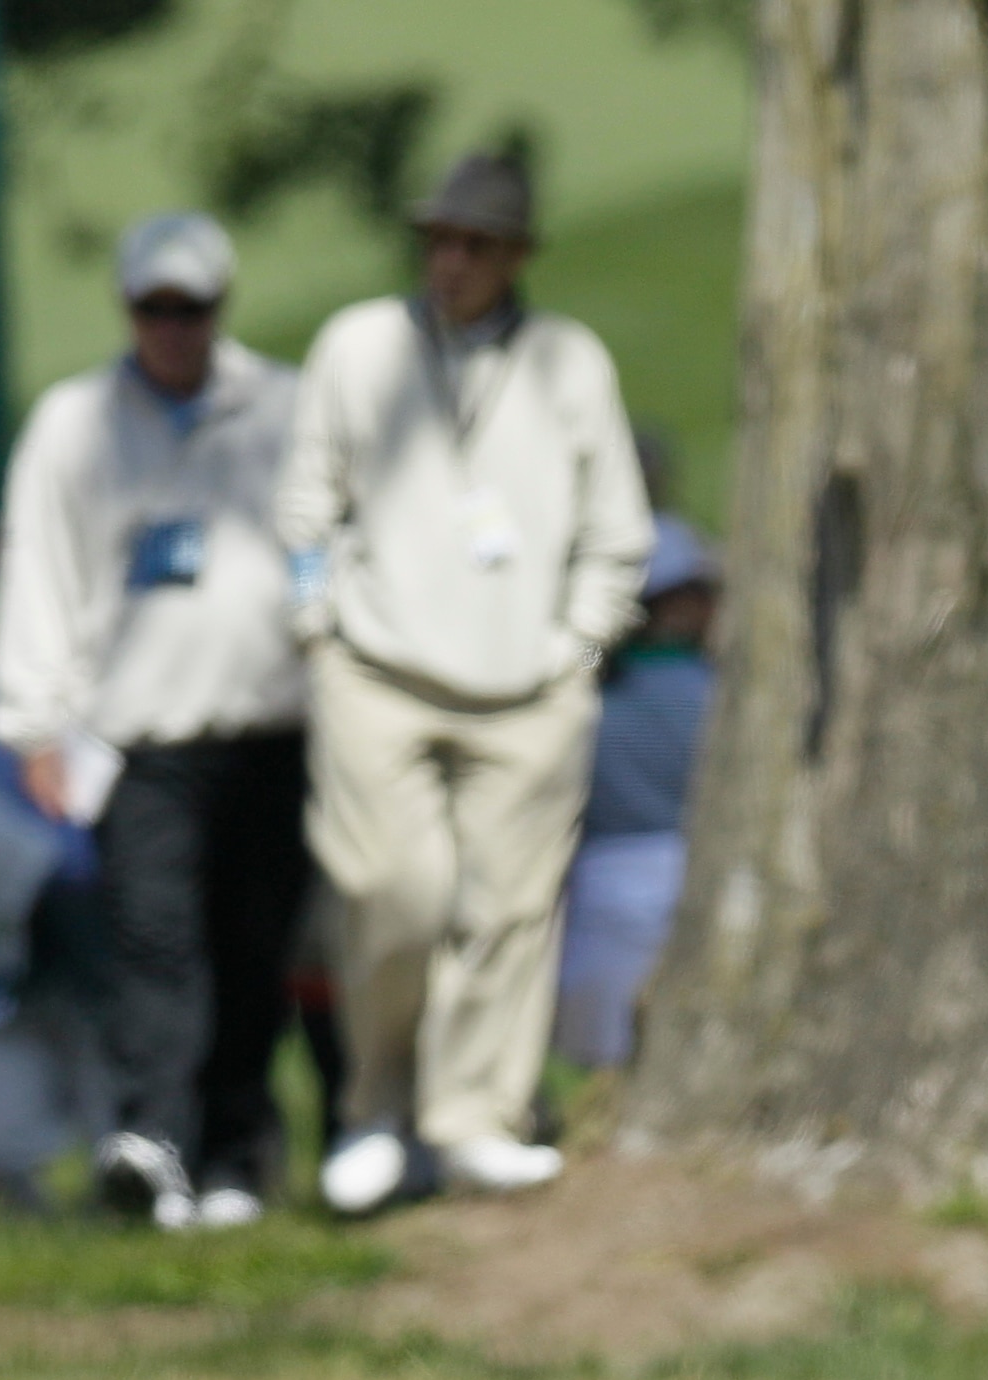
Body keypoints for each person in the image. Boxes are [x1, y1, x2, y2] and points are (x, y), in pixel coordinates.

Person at [273, 154, 651, 1220]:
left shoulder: (569, 362)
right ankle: (375, 1108)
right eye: (440, 238)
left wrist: (575, 647)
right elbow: (307, 504)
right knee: (395, 891)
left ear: (519, 254)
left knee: (509, 909)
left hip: (529, 683)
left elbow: (615, 531)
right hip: (379, 671)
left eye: (478, 243)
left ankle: (476, 1117)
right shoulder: (359, 346)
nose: (454, 261)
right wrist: (320, 629)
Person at [0, 211, 308, 1233]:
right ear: (130, 309)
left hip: (273, 724)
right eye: (156, 308)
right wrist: (35, 720)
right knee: (154, 948)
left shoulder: (287, 408)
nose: (174, 328)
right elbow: (40, 570)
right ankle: (151, 1141)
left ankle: (237, 1154)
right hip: (141, 735)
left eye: (193, 308)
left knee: (253, 952)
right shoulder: (75, 423)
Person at [550, 514, 716, 1072]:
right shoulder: (712, 686)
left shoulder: (590, 687)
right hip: (665, 877)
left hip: (606, 890)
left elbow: (581, 664)